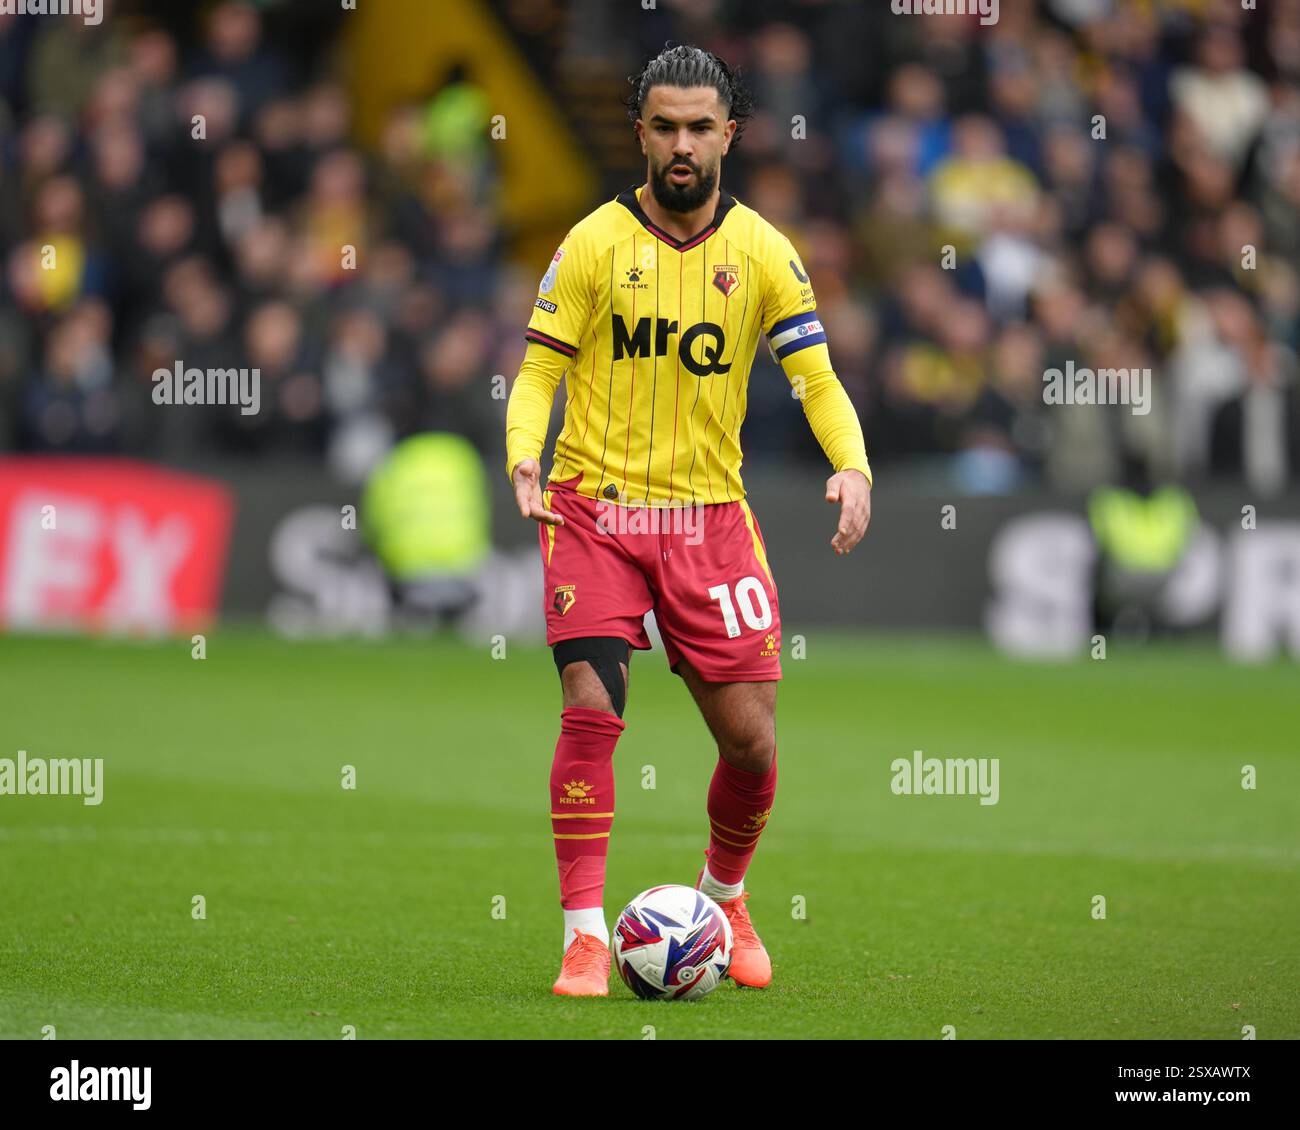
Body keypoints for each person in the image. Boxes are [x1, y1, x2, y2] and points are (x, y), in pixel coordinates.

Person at [504, 44, 873, 997]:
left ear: (729, 135)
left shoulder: (763, 253)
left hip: (709, 522)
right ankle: (584, 935)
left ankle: (728, 895)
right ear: (639, 132)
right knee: (590, 702)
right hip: (593, 508)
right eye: (663, 126)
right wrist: (523, 454)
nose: (681, 145)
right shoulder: (591, 243)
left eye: (699, 127)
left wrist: (853, 465)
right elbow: (539, 369)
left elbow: (816, 379)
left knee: (751, 744)